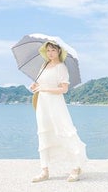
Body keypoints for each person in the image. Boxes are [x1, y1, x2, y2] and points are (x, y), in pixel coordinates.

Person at [29, 41, 87, 183]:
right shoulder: (44, 66)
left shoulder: (61, 67)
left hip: (55, 104)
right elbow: (39, 84)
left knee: (63, 130)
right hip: (43, 103)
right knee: (43, 132)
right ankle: (44, 170)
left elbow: (63, 89)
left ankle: (76, 167)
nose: (50, 53)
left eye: (53, 50)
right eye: (48, 50)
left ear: (59, 51)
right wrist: (35, 86)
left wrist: (44, 89)